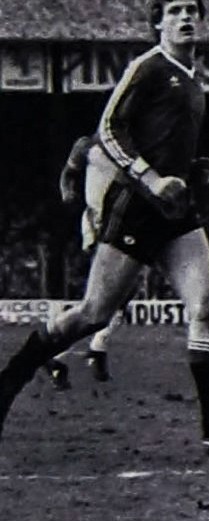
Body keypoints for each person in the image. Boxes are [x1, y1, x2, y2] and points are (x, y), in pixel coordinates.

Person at [0, 0, 209, 458]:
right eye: (174, 12)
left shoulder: (191, 79)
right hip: (137, 210)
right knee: (93, 314)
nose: (186, 18)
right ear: (157, 24)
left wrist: (190, 169)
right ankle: (8, 382)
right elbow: (109, 128)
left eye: (192, 10)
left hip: (177, 210)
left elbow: (161, 139)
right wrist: (151, 178)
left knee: (206, 307)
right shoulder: (148, 68)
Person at [41, 135, 125, 387]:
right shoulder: (88, 145)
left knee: (119, 294)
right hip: (99, 224)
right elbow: (68, 173)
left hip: (125, 224)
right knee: (102, 298)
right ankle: (60, 355)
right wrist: (67, 191)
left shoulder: (137, 147)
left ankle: (90, 350)